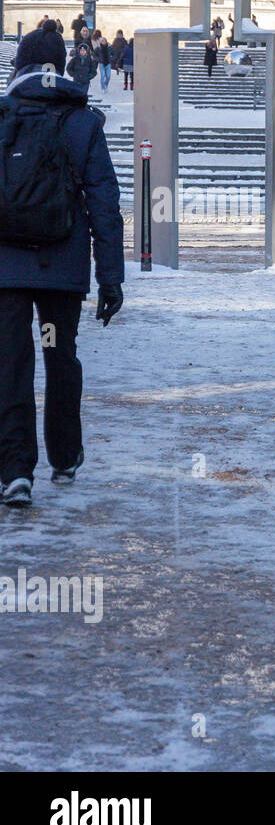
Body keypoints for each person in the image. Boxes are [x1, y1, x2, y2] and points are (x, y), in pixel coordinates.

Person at [0, 43, 125, 507]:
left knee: (11, 364)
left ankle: (15, 471)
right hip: (61, 270)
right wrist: (110, 277)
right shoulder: (82, 122)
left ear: (20, 67)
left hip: (8, 272)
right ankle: (65, 455)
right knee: (57, 353)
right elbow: (104, 205)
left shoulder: (3, 114)